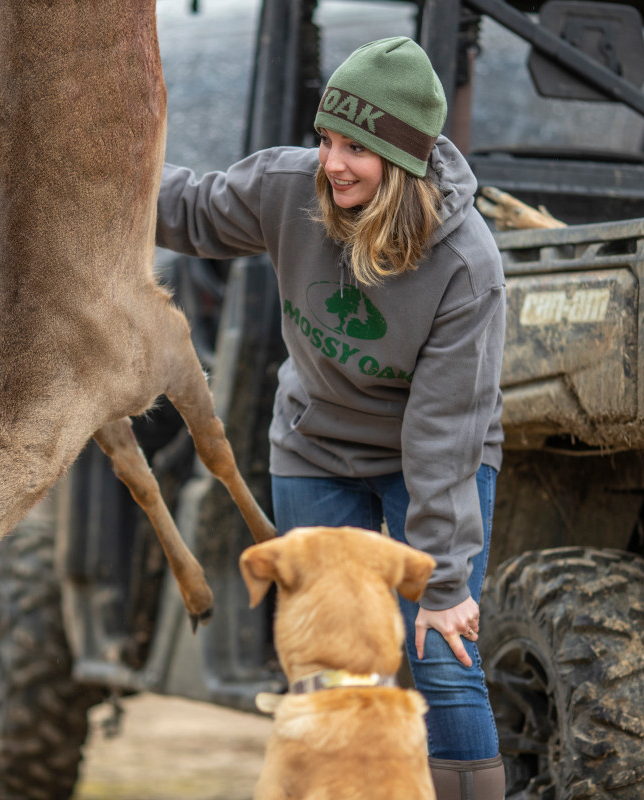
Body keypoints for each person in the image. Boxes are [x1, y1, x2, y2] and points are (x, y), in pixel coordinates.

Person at [156, 37, 506, 798]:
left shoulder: (465, 265)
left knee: (441, 653)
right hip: (315, 448)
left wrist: (444, 581)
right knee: (326, 662)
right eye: (327, 139)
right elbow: (189, 208)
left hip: (431, 465)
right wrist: (91, 182)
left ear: (405, 159)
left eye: (358, 147)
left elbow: (443, 434)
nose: (333, 162)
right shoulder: (290, 188)